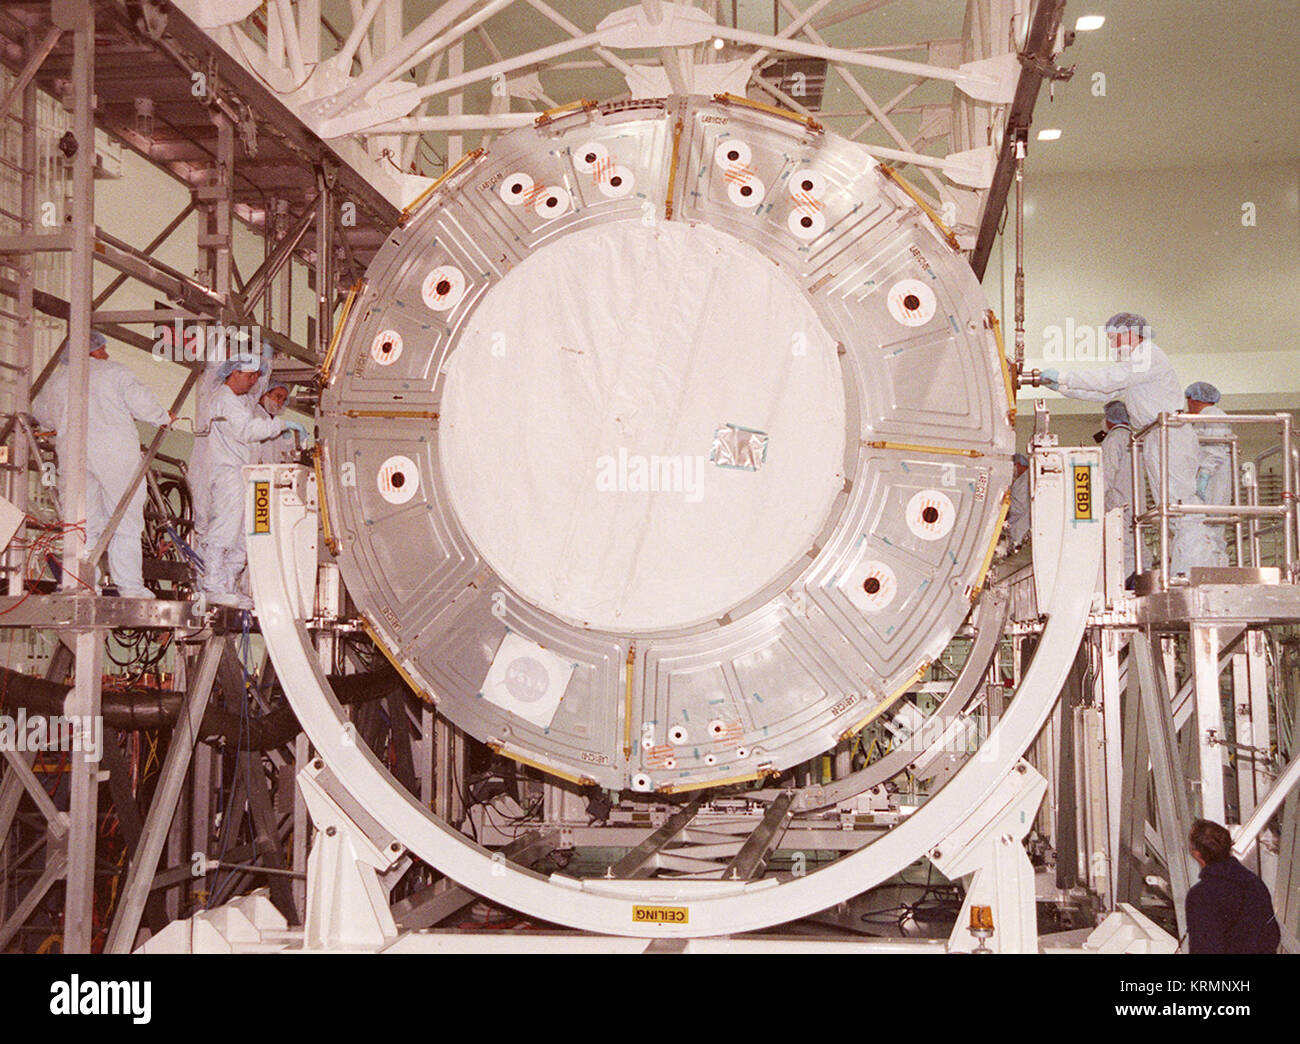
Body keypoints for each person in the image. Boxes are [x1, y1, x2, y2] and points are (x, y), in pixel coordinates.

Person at [1040, 313, 1214, 577]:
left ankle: (1197, 570)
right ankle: (1186, 571)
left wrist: (1066, 375)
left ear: (1132, 333)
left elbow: (1109, 380)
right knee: (1170, 507)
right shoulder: (1136, 365)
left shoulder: (1148, 355)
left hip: (1171, 434)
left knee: (1180, 505)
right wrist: (1063, 388)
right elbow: (1106, 392)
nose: (1112, 345)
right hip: (1156, 435)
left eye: (1114, 338)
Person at [32, 331, 174, 598]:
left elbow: (42, 416)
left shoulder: (56, 382)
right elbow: (143, 404)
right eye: (103, 349)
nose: (106, 354)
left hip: (73, 456)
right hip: (115, 454)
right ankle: (130, 587)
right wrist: (163, 417)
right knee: (124, 519)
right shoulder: (115, 372)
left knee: (81, 523)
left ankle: (81, 584)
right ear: (94, 351)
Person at [190, 350, 307, 608]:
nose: (254, 381)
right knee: (224, 530)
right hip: (228, 472)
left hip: (243, 473)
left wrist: (266, 360)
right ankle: (212, 585)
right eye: (250, 375)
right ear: (234, 372)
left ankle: (229, 584)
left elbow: (257, 401)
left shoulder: (241, 401)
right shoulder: (224, 399)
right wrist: (283, 425)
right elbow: (246, 430)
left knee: (242, 534)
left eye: (257, 376)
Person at [1185, 818, 1280, 954]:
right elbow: (1272, 935)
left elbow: (1204, 948)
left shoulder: (1201, 895)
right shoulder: (1255, 884)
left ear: (1196, 854)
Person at [1099, 399, 1147, 585]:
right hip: (1136, 501)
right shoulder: (1136, 438)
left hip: (1118, 503)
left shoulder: (1113, 439)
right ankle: (1139, 576)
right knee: (1136, 544)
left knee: (1122, 546)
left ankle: (1128, 582)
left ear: (1109, 419)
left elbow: (1106, 473)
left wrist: (1099, 502)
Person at [1186, 381, 1231, 567]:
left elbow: (1215, 449)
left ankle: (1214, 571)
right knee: (1208, 527)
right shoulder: (1203, 417)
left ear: (1193, 399)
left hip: (1213, 478)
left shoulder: (1214, 415)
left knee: (1211, 527)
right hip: (1210, 476)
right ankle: (1210, 569)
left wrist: (1204, 475)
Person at [252, 380, 300, 465]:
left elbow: (285, 454)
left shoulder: (275, 422)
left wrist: (288, 441)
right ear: (264, 395)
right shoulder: (254, 415)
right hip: (254, 471)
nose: (280, 402)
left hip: (271, 472)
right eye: (278, 396)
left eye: (284, 400)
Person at [1006, 452, 1030, 546]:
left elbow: (1019, 507)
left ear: (1018, 464)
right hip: (1019, 529)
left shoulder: (1024, 481)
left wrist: (1003, 504)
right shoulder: (1022, 480)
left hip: (1020, 530)